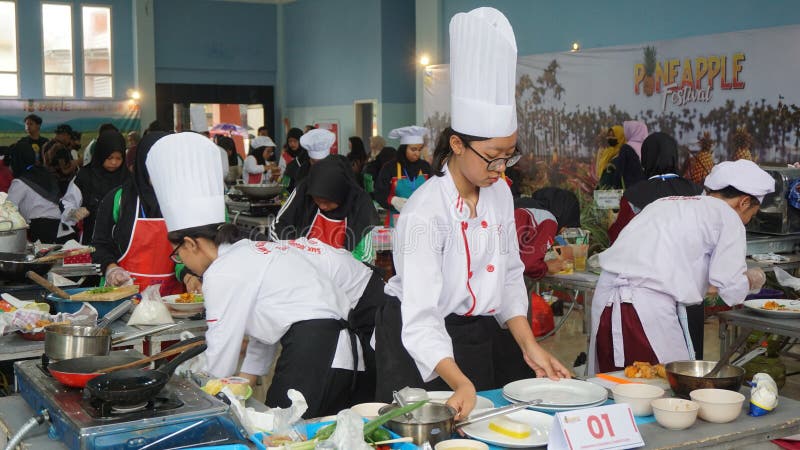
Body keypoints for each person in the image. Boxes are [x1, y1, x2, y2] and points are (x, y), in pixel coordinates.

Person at [374, 7, 570, 419]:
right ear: (458, 145)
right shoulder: (425, 212)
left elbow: (510, 275)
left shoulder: (498, 193)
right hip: (417, 341)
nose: (501, 169)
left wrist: (529, 345)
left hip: (473, 331)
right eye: (493, 156)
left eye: (509, 156)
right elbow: (422, 317)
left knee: (480, 427)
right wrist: (460, 382)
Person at [146, 132, 386, 417]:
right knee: (291, 428)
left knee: (283, 431)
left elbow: (221, 349)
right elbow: (265, 332)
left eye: (178, 253)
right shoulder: (247, 252)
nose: (181, 260)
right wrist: (246, 379)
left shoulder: (221, 273)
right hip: (330, 347)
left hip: (314, 348)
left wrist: (202, 400)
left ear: (190, 244)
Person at [588, 159, 774, 375]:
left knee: (612, 381)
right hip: (643, 307)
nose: (747, 221)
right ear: (744, 202)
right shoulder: (727, 217)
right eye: (752, 215)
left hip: (606, 297)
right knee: (660, 382)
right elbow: (730, 289)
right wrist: (752, 279)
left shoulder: (665, 202)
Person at [90, 131, 187, 294]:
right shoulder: (118, 199)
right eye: (156, 165)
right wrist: (111, 269)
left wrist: (188, 276)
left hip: (174, 300)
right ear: (143, 163)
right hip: (122, 296)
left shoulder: (183, 202)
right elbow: (99, 245)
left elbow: (192, 248)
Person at [271, 153, 380, 263]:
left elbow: (364, 256)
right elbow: (277, 227)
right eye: (317, 200)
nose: (322, 206)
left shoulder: (361, 203)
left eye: (328, 202)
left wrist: (335, 267)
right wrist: (297, 253)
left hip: (344, 270)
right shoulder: (304, 190)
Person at [608, 132, 703, 244]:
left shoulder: (633, 196)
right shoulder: (698, 192)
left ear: (645, 158)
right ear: (675, 156)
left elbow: (617, 237)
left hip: (645, 254)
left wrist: (610, 225)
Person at [65, 130, 130, 243]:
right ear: (100, 154)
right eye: (109, 158)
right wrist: (74, 212)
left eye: (118, 158)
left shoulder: (129, 178)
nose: (114, 162)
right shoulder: (85, 176)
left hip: (122, 240)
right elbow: (67, 203)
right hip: (91, 238)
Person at [514, 187, 581, 279]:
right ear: (566, 215)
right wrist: (547, 266)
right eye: (566, 227)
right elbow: (530, 265)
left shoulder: (518, 206)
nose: (562, 232)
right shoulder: (548, 219)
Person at [6, 145, 67, 242]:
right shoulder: (45, 175)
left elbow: (9, 209)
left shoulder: (20, 182)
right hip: (62, 226)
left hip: (41, 228)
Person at [374, 126, 432, 226]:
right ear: (404, 149)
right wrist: (393, 200)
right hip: (396, 221)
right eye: (413, 149)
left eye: (419, 149)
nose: (417, 153)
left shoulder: (425, 167)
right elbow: (379, 193)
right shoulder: (390, 168)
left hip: (422, 221)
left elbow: (433, 192)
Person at [599, 121, 648, 190]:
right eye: (609, 136)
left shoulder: (626, 149)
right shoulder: (606, 152)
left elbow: (619, 174)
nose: (610, 138)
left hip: (627, 188)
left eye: (613, 136)